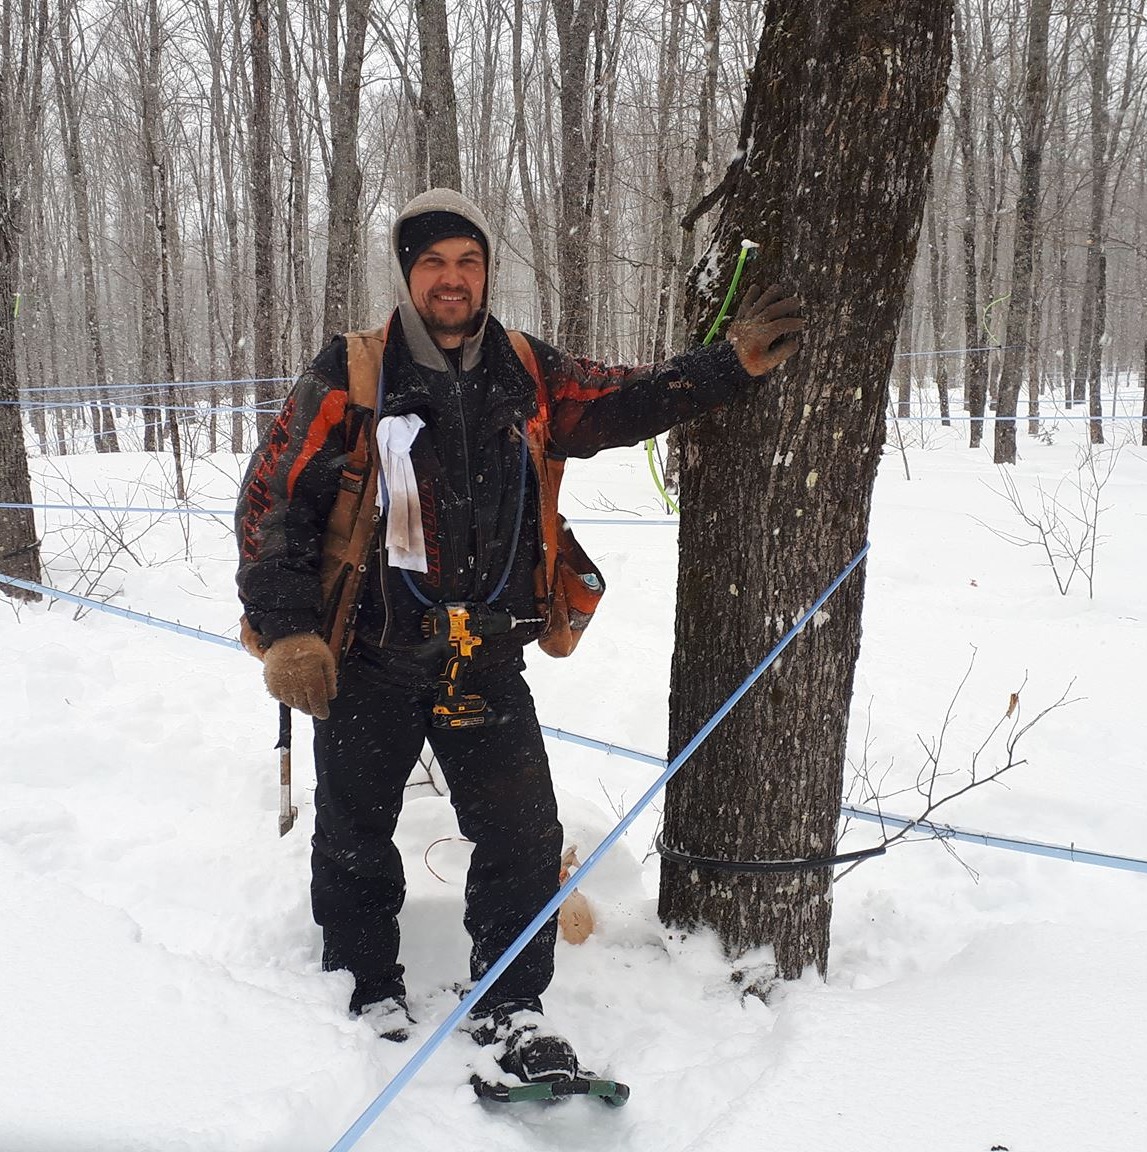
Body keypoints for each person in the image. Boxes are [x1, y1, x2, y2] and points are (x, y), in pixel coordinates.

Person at [234, 188, 803, 1083]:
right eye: (433, 263)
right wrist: (288, 633)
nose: (451, 279)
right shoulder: (353, 372)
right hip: (374, 654)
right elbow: (274, 501)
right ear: (407, 275)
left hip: (486, 658)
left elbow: (618, 402)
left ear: (487, 272)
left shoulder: (525, 370)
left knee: (524, 840)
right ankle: (365, 989)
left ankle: (509, 1006)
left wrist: (724, 366)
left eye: (467, 261)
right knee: (353, 836)